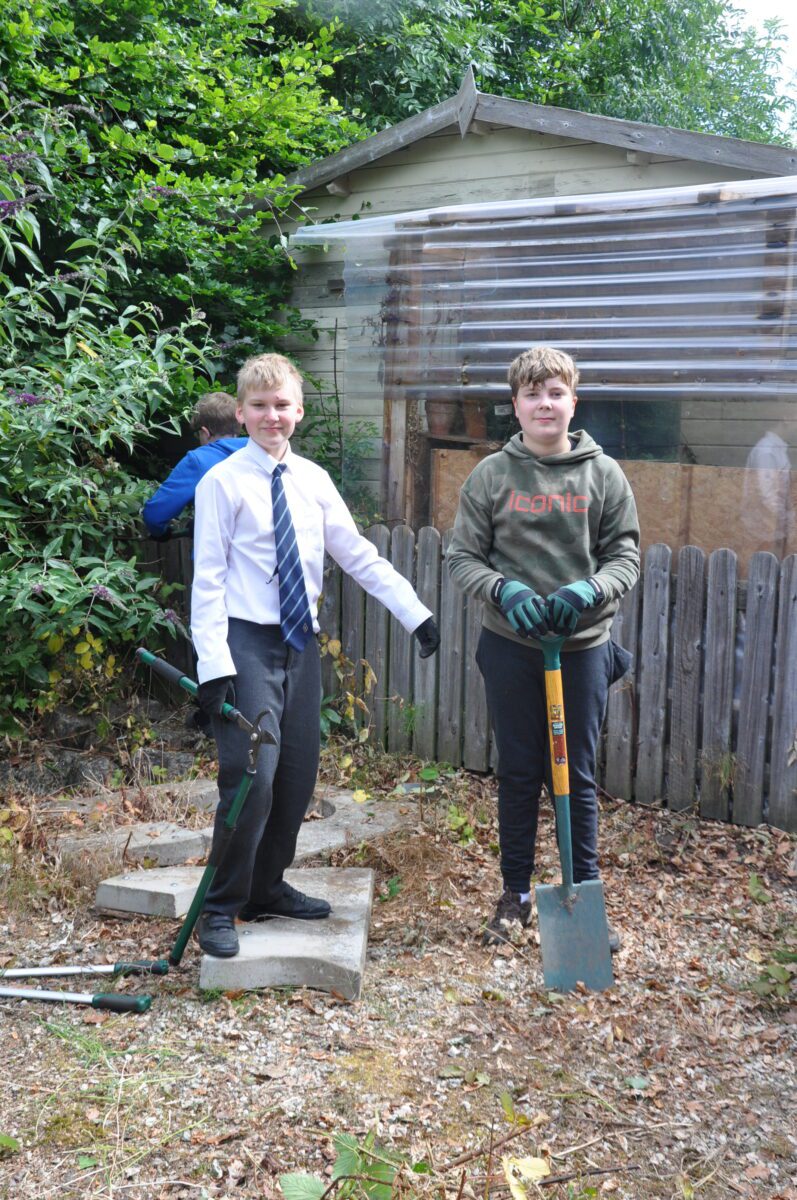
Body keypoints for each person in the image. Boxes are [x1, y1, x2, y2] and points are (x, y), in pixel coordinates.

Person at [191, 352, 440, 958]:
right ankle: (219, 908)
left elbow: (357, 555)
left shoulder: (313, 481)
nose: (271, 416)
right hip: (246, 642)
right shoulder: (220, 483)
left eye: (282, 406)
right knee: (252, 777)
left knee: (297, 776)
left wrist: (416, 613)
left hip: (298, 646)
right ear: (241, 414)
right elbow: (208, 582)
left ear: (298, 411)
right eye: (259, 406)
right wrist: (214, 667)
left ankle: (265, 886)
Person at [447, 346, 639, 950]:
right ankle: (517, 896)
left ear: (572, 401)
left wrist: (591, 588)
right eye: (532, 394)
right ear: (516, 406)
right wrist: (504, 589)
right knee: (520, 773)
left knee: (575, 776)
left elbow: (626, 557)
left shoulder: (603, 474)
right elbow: (462, 558)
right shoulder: (492, 476)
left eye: (555, 392)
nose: (544, 403)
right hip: (511, 645)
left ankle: (584, 892)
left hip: (581, 647)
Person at [142, 392, 244, 538]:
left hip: (215, 556)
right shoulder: (260, 451)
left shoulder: (198, 461)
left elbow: (155, 515)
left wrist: (162, 533)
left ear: (205, 432)